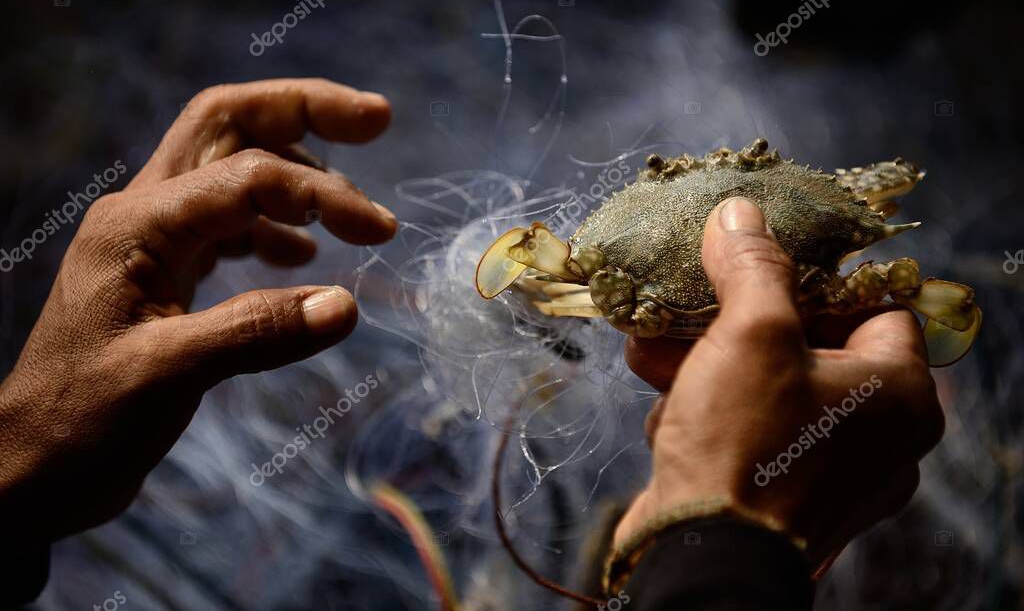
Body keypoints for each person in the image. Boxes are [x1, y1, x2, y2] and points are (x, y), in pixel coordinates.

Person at [0, 80, 944, 608]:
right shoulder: (574, 270)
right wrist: (728, 539)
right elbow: (514, 269)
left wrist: (15, 472)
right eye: (676, 174)